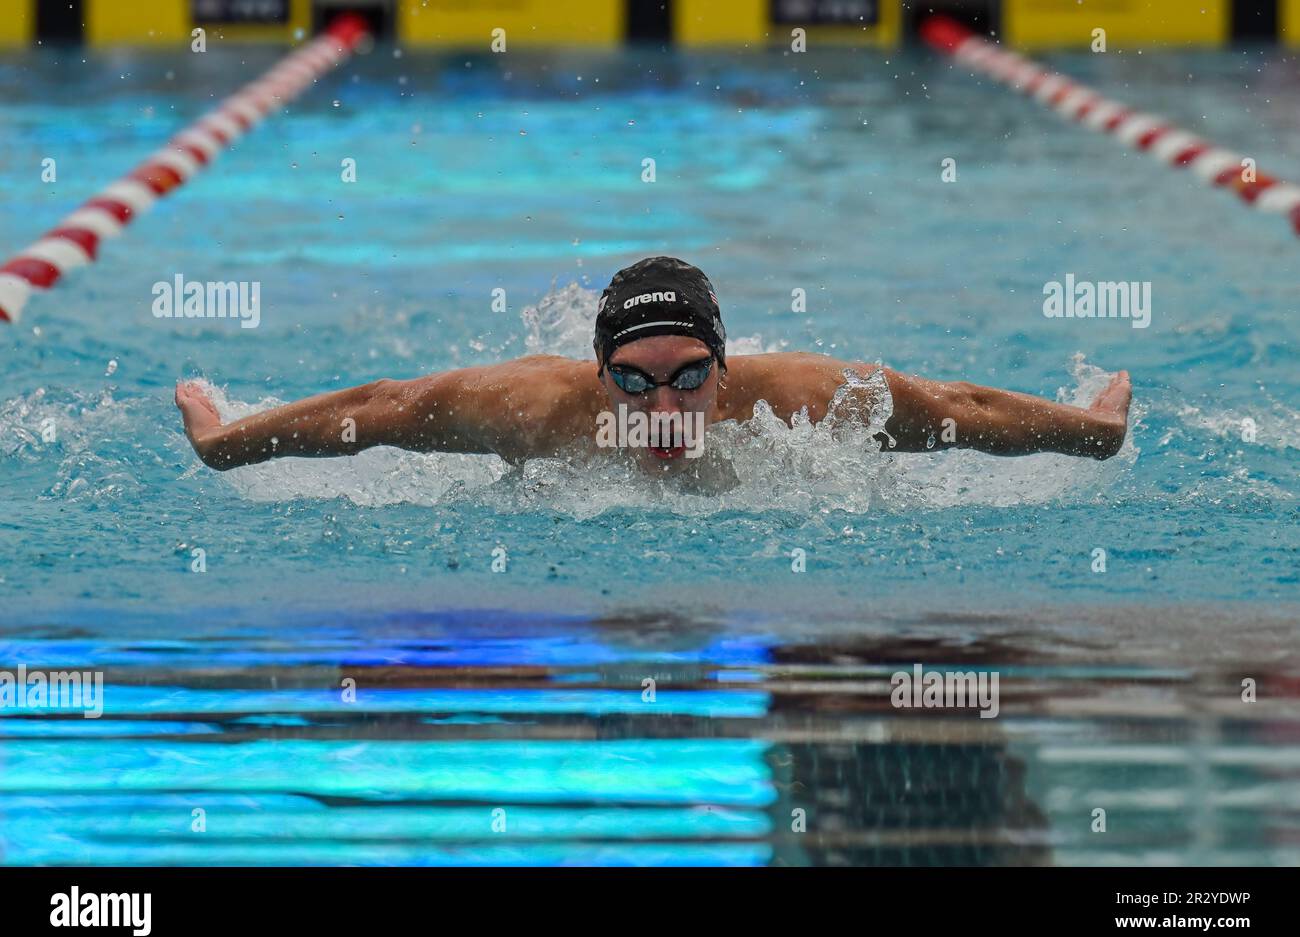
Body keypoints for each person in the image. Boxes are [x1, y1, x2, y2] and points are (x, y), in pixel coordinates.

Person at [175, 256, 1131, 475]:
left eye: (688, 376)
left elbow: (960, 408)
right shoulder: (532, 408)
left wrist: (1092, 432)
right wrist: (224, 445)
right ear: (599, 377)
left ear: (726, 368)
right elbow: (376, 408)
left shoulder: (802, 402)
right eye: (634, 380)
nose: (663, 405)